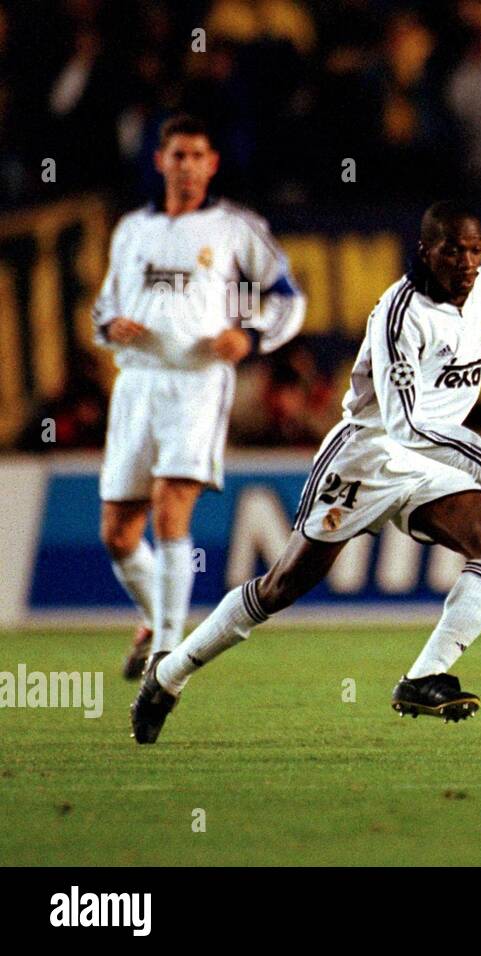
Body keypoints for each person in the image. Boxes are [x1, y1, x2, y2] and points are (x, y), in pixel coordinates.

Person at [130, 203, 481, 744]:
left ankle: (423, 678)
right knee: (283, 586)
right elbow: (402, 424)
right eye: (453, 251)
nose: (467, 262)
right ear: (427, 252)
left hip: (433, 458)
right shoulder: (399, 314)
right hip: (369, 454)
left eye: (474, 249)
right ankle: (169, 675)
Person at [95, 114, 304, 681]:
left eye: (197, 156)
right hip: (136, 383)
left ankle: (166, 652)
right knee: (117, 533)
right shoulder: (132, 230)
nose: (186, 165)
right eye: (177, 155)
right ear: (160, 161)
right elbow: (103, 307)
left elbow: (289, 298)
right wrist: (111, 326)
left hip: (198, 382)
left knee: (171, 505)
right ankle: (153, 619)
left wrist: (252, 335)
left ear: (212, 164)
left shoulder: (236, 228)